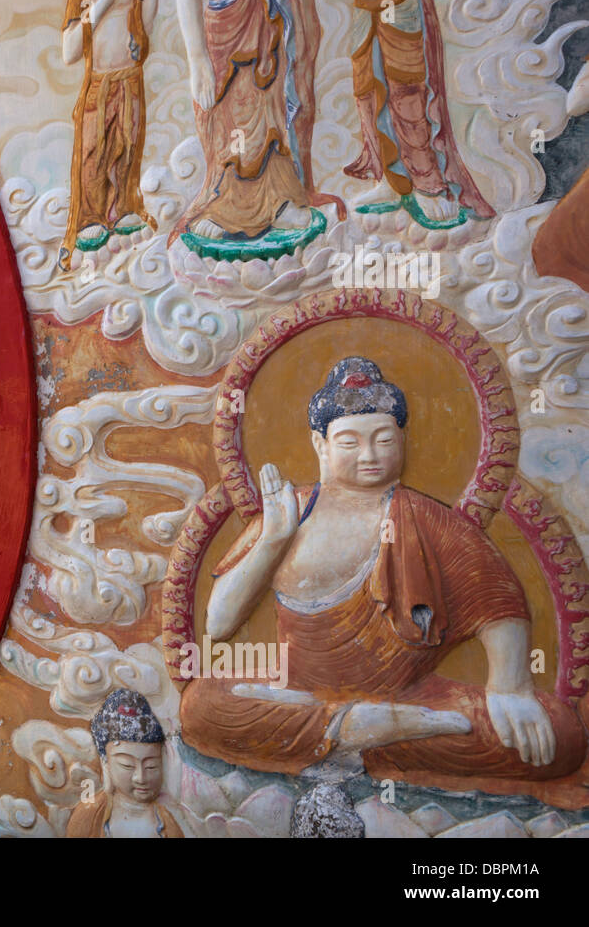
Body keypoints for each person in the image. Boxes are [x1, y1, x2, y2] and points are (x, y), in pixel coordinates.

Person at [179, 357, 588, 790]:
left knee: (559, 733)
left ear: (403, 439)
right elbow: (219, 623)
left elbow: (498, 598)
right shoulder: (287, 513)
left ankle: (355, 733)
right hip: (295, 694)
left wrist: (510, 686)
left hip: (411, 697)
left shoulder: (428, 520)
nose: (370, 455)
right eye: (350, 442)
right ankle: (362, 729)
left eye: (384, 440)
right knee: (201, 707)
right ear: (320, 445)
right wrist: (273, 541)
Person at [171, 0, 336, 242]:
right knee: (235, 115)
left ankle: (279, 200)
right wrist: (196, 56)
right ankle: (228, 204)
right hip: (229, 21)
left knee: (271, 116)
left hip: (269, 17)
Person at [341, 0, 494, 222]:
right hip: (364, 2)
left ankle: (427, 183)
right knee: (368, 92)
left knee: (407, 94)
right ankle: (390, 179)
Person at [60, 0, 167, 266]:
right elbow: (69, 52)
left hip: (130, 79)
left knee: (128, 146)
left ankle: (122, 208)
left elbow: (143, 26)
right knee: (92, 154)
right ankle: (91, 217)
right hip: (99, 84)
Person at [67, 688, 184, 837]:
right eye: (127, 765)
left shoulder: (169, 824)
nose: (140, 778)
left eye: (151, 766)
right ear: (106, 762)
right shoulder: (89, 816)